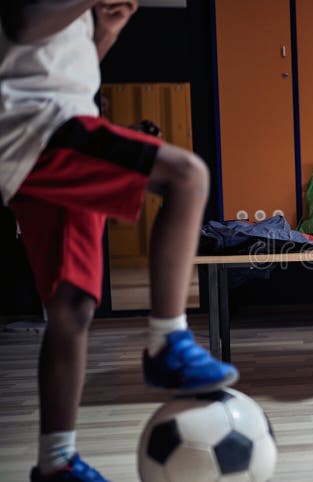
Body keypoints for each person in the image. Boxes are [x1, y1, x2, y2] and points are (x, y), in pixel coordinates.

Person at [0, 2, 238, 480]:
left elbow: (65, 68)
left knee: (71, 307)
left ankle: (56, 462)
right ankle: (167, 342)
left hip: (53, 121)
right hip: (39, 129)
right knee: (188, 176)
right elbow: (21, 23)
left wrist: (105, 30)